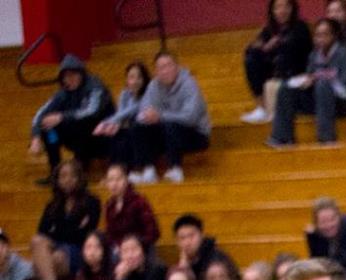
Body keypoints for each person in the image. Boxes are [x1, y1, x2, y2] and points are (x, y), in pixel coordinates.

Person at [105, 51, 211, 185]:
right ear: (156, 71)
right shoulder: (154, 86)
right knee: (137, 126)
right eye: (161, 67)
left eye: (168, 66)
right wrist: (146, 116)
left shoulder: (189, 84)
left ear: (177, 67)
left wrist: (161, 116)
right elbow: (143, 112)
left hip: (196, 134)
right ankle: (147, 169)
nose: (165, 71)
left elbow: (191, 117)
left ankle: (175, 168)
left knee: (170, 125)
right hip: (167, 134)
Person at [269, 18, 346, 147]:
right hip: (319, 101)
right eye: (317, 35)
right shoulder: (314, 55)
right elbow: (310, 76)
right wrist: (305, 81)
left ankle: (326, 138)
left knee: (322, 85)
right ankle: (281, 137)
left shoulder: (344, 54)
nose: (320, 39)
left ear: (334, 36)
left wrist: (323, 80)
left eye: (324, 35)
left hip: (341, 102)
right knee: (286, 87)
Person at [28, 55, 111, 178]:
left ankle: (81, 167)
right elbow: (41, 114)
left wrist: (61, 117)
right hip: (77, 137)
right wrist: (36, 137)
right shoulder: (63, 93)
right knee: (48, 128)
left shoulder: (95, 86)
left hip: (100, 135)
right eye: (65, 77)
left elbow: (92, 111)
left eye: (72, 75)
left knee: (80, 123)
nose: (69, 80)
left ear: (81, 74)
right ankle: (56, 172)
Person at [29, 159, 99, 280]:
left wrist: (56, 231)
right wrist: (73, 228)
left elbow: (85, 235)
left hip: (79, 250)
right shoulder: (53, 205)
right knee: (37, 241)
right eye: (63, 176)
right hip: (57, 248)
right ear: (58, 180)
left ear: (79, 178)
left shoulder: (92, 202)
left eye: (72, 175)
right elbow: (42, 232)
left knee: (40, 265)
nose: (68, 180)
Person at [241, 0, 311, 124]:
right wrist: (266, 47)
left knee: (285, 52)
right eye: (278, 7)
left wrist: (279, 44)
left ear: (292, 9)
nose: (282, 11)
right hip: (274, 72)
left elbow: (302, 53)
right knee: (252, 57)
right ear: (272, 11)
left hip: (296, 73)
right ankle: (262, 108)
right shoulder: (269, 29)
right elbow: (254, 48)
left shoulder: (300, 27)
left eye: (286, 6)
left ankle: (282, 106)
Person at [98, 162, 159, 257]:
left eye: (118, 179)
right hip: (119, 250)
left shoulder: (139, 201)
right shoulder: (109, 205)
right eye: (110, 180)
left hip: (140, 249)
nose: (114, 184)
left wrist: (133, 246)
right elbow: (111, 235)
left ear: (126, 180)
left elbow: (153, 232)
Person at [304, 198, 346, 278]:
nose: (329, 225)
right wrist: (313, 240)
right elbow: (318, 264)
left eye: (332, 219)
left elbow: (341, 264)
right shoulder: (316, 237)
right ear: (316, 224)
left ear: (339, 217)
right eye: (323, 222)